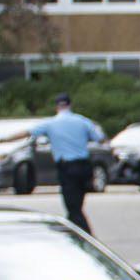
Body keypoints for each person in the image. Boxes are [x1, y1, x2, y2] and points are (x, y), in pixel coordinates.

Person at [40, 92, 105, 231]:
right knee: (77, 205)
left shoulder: (50, 123)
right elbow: (99, 138)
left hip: (67, 168)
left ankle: (86, 236)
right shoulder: (82, 121)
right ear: (70, 105)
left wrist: (2, 139)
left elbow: (26, 132)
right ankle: (73, 231)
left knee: (73, 206)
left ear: (56, 106)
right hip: (84, 166)